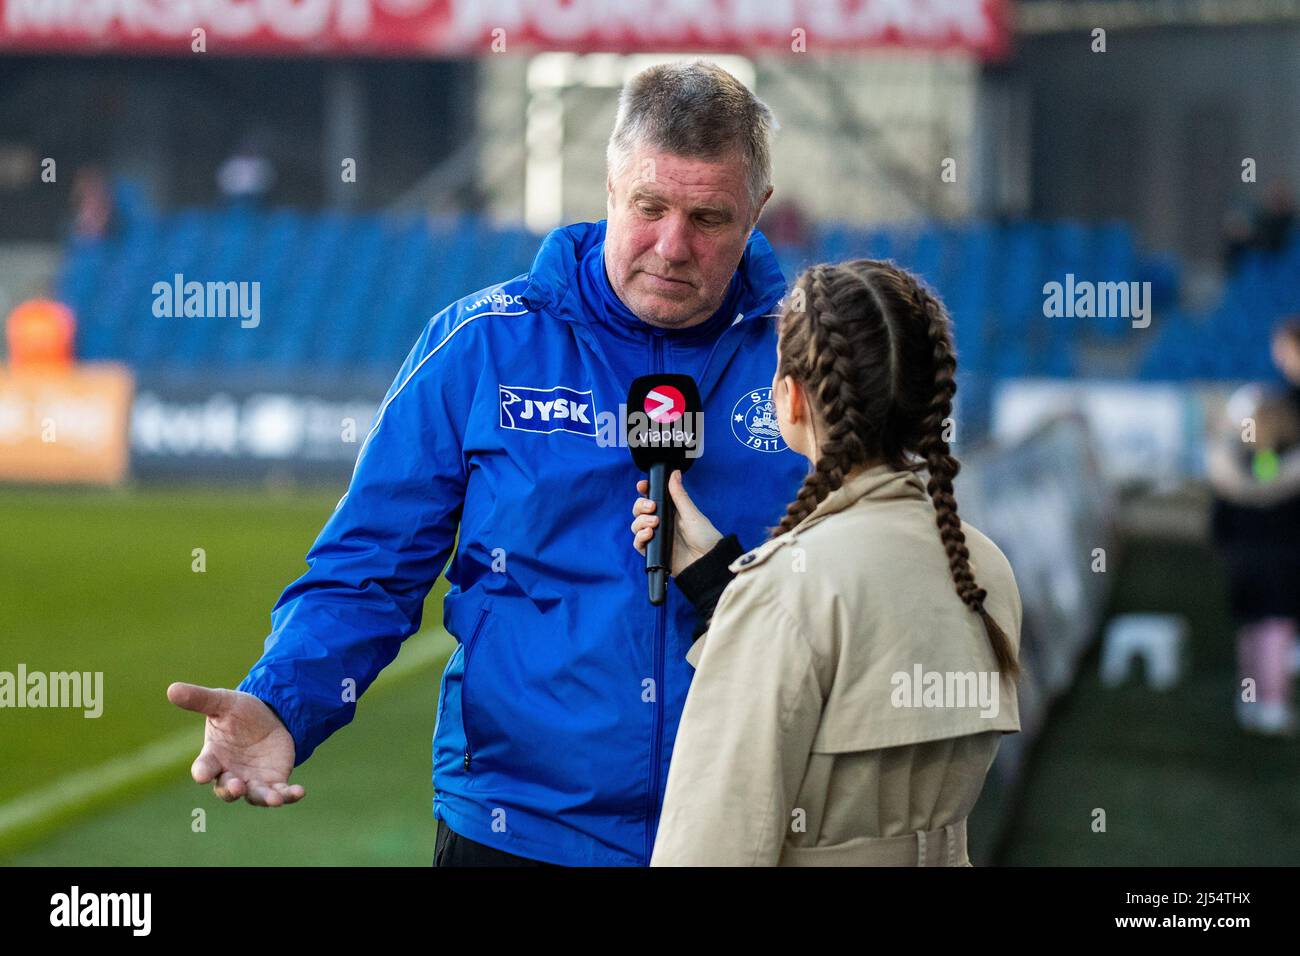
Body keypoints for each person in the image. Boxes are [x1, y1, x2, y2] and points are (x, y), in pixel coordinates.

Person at [166, 60, 810, 866]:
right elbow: (370, 567)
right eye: (650, 208)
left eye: (709, 218)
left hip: (744, 828)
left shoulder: (809, 362)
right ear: (610, 187)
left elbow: (861, 583)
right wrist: (282, 701)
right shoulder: (482, 345)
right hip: (515, 827)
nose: (672, 246)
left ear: (758, 210)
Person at [630, 260, 1022, 865]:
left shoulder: (784, 594)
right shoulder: (984, 567)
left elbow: (711, 846)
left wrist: (749, 603)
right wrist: (719, 589)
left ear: (790, 398)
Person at [1206, 317, 1300, 736]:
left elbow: (1220, 521)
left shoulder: (1234, 467)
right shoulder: (1286, 466)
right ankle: (1273, 703)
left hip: (1243, 562)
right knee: (1276, 628)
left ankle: (1250, 701)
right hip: (1282, 562)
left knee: (1251, 629)